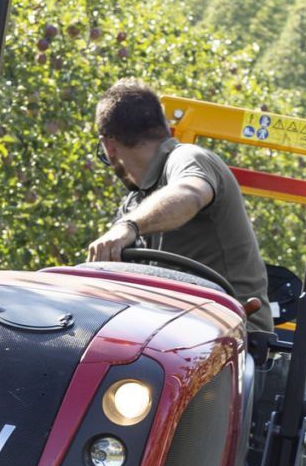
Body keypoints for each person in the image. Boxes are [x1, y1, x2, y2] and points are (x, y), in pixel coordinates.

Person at [85, 81, 272, 329]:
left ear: (109, 147)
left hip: (235, 335)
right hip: (171, 333)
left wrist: (128, 226)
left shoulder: (188, 158)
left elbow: (190, 192)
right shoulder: (135, 202)